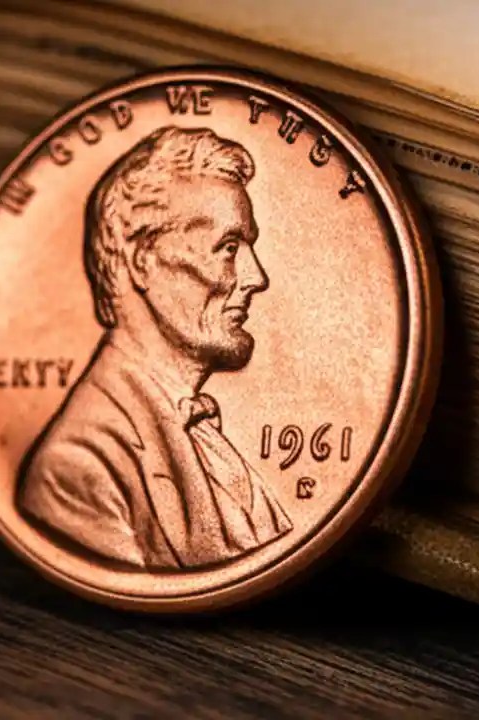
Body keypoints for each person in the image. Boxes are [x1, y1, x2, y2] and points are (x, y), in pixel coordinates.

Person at [16, 126, 292, 570]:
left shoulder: (204, 435)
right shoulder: (78, 468)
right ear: (143, 260)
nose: (256, 277)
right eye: (227, 247)